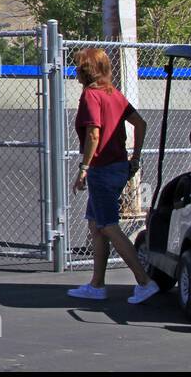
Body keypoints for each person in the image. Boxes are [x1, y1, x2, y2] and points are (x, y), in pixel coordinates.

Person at [66, 46, 158, 304]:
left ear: (87, 70)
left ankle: (145, 281)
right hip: (118, 167)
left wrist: (84, 169)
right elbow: (140, 123)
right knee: (96, 226)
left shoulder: (91, 96)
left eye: (79, 67)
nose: (75, 71)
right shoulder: (113, 94)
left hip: (102, 170)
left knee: (108, 225)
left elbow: (93, 134)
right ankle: (97, 285)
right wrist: (135, 158)